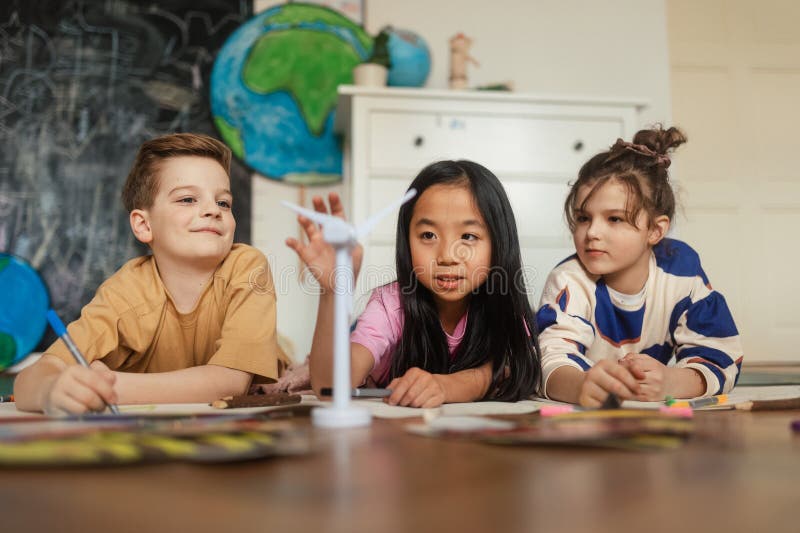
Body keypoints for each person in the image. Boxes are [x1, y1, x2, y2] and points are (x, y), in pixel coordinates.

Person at [15, 133, 287, 414]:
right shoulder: (125, 292)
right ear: (144, 225)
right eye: (188, 199)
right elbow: (29, 381)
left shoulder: (248, 266)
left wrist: (108, 386)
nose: (212, 210)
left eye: (223, 203)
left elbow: (229, 384)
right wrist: (52, 390)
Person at [287, 160, 541, 408]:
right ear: (406, 240)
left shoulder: (506, 307)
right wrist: (333, 292)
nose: (447, 256)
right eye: (428, 235)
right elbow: (331, 387)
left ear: (499, 242)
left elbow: (500, 372)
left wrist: (442, 386)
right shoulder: (390, 305)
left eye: (468, 236)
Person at [537, 126, 743, 407]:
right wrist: (581, 386)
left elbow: (721, 355)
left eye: (615, 219)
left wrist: (671, 382)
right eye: (583, 218)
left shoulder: (682, 270)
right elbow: (550, 359)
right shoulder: (568, 280)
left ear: (655, 230)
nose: (592, 232)